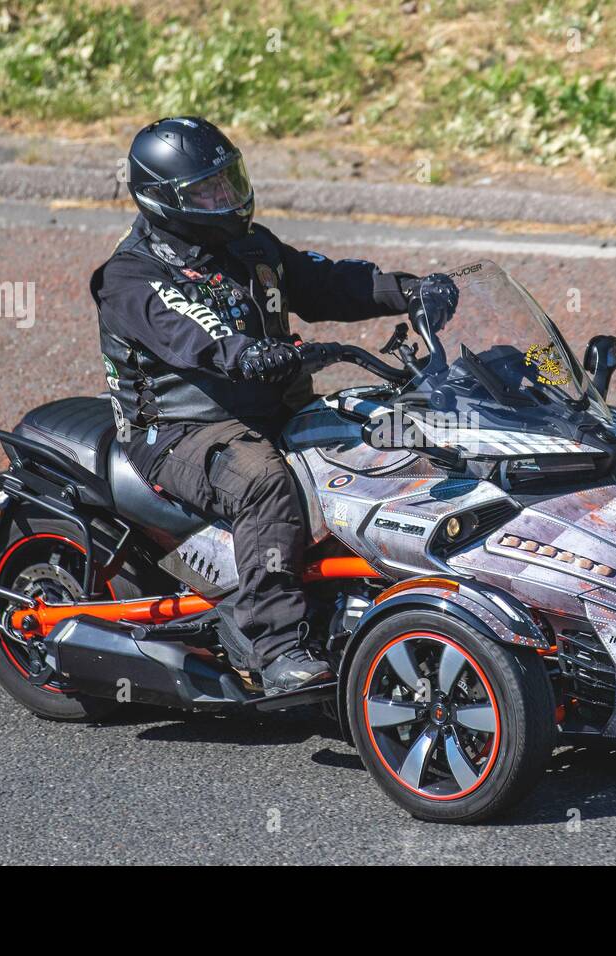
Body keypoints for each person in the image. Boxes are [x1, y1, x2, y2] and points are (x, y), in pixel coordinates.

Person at [90, 116, 422, 694]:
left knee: (393, 434)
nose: (225, 198)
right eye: (206, 192)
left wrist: (410, 291)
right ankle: (277, 648)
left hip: (273, 411)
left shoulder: (251, 246)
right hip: (180, 431)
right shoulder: (133, 275)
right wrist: (243, 355)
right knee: (263, 481)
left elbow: (326, 282)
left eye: (228, 180)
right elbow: (191, 331)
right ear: (160, 200)